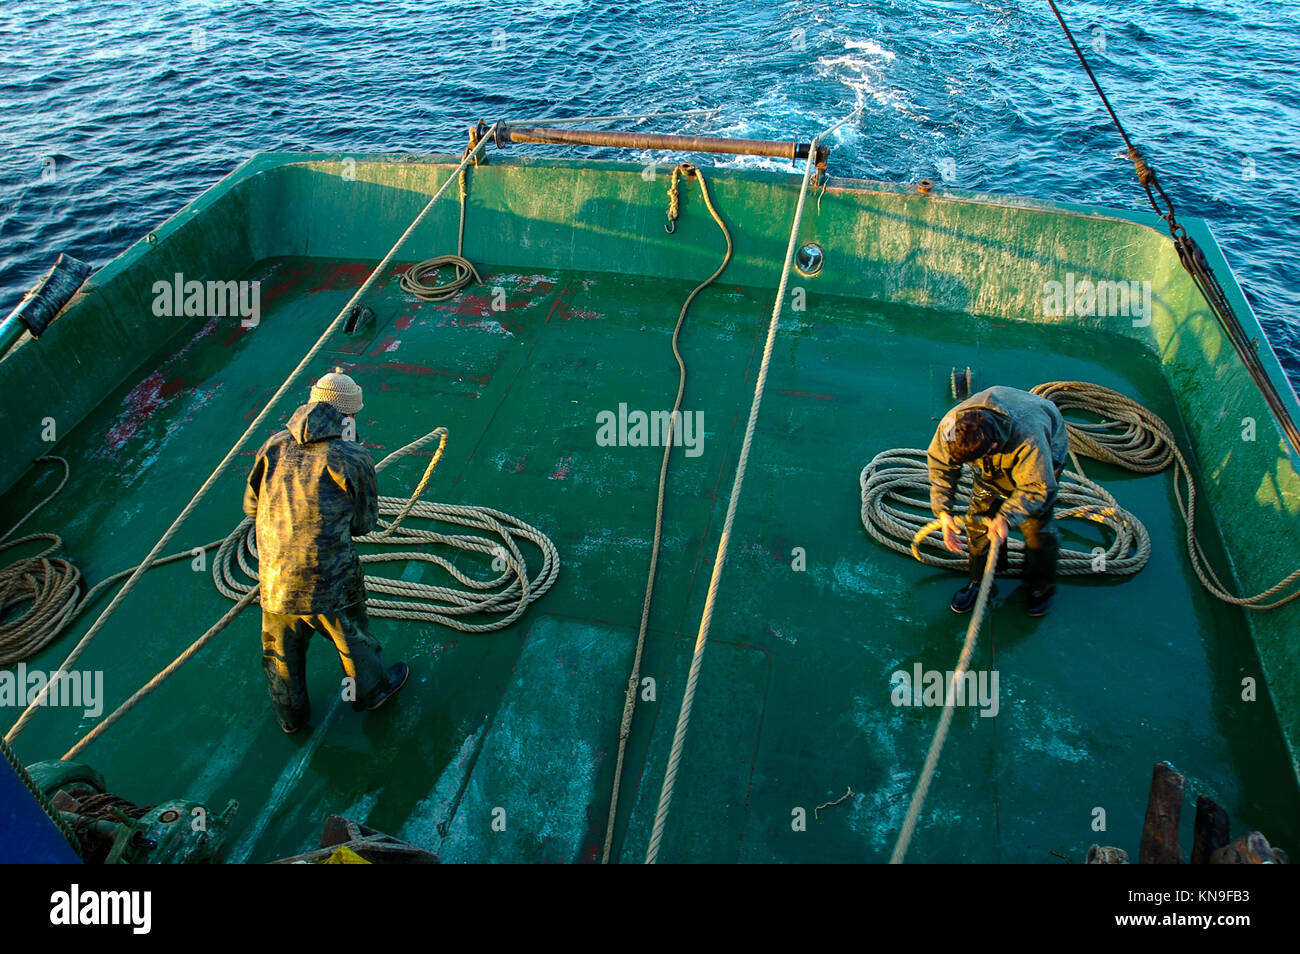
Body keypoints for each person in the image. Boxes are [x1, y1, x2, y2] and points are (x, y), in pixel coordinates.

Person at [244, 370, 408, 733]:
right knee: (352, 641)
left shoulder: (272, 445)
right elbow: (363, 525)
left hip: (275, 580)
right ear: (347, 417)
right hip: (329, 582)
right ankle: (372, 692)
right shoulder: (352, 456)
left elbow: (252, 507)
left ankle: (291, 718)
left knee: (280, 652)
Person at [927, 385, 1069, 617]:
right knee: (979, 522)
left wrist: (1006, 517)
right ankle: (979, 579)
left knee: (1037, 530)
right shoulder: (951, 426)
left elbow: (1036, 487)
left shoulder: (1029, 437)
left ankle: (1040, 587)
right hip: (992, 462)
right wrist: (943, 512)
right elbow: (941, 466)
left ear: (992, 448)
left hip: (1044, 454)